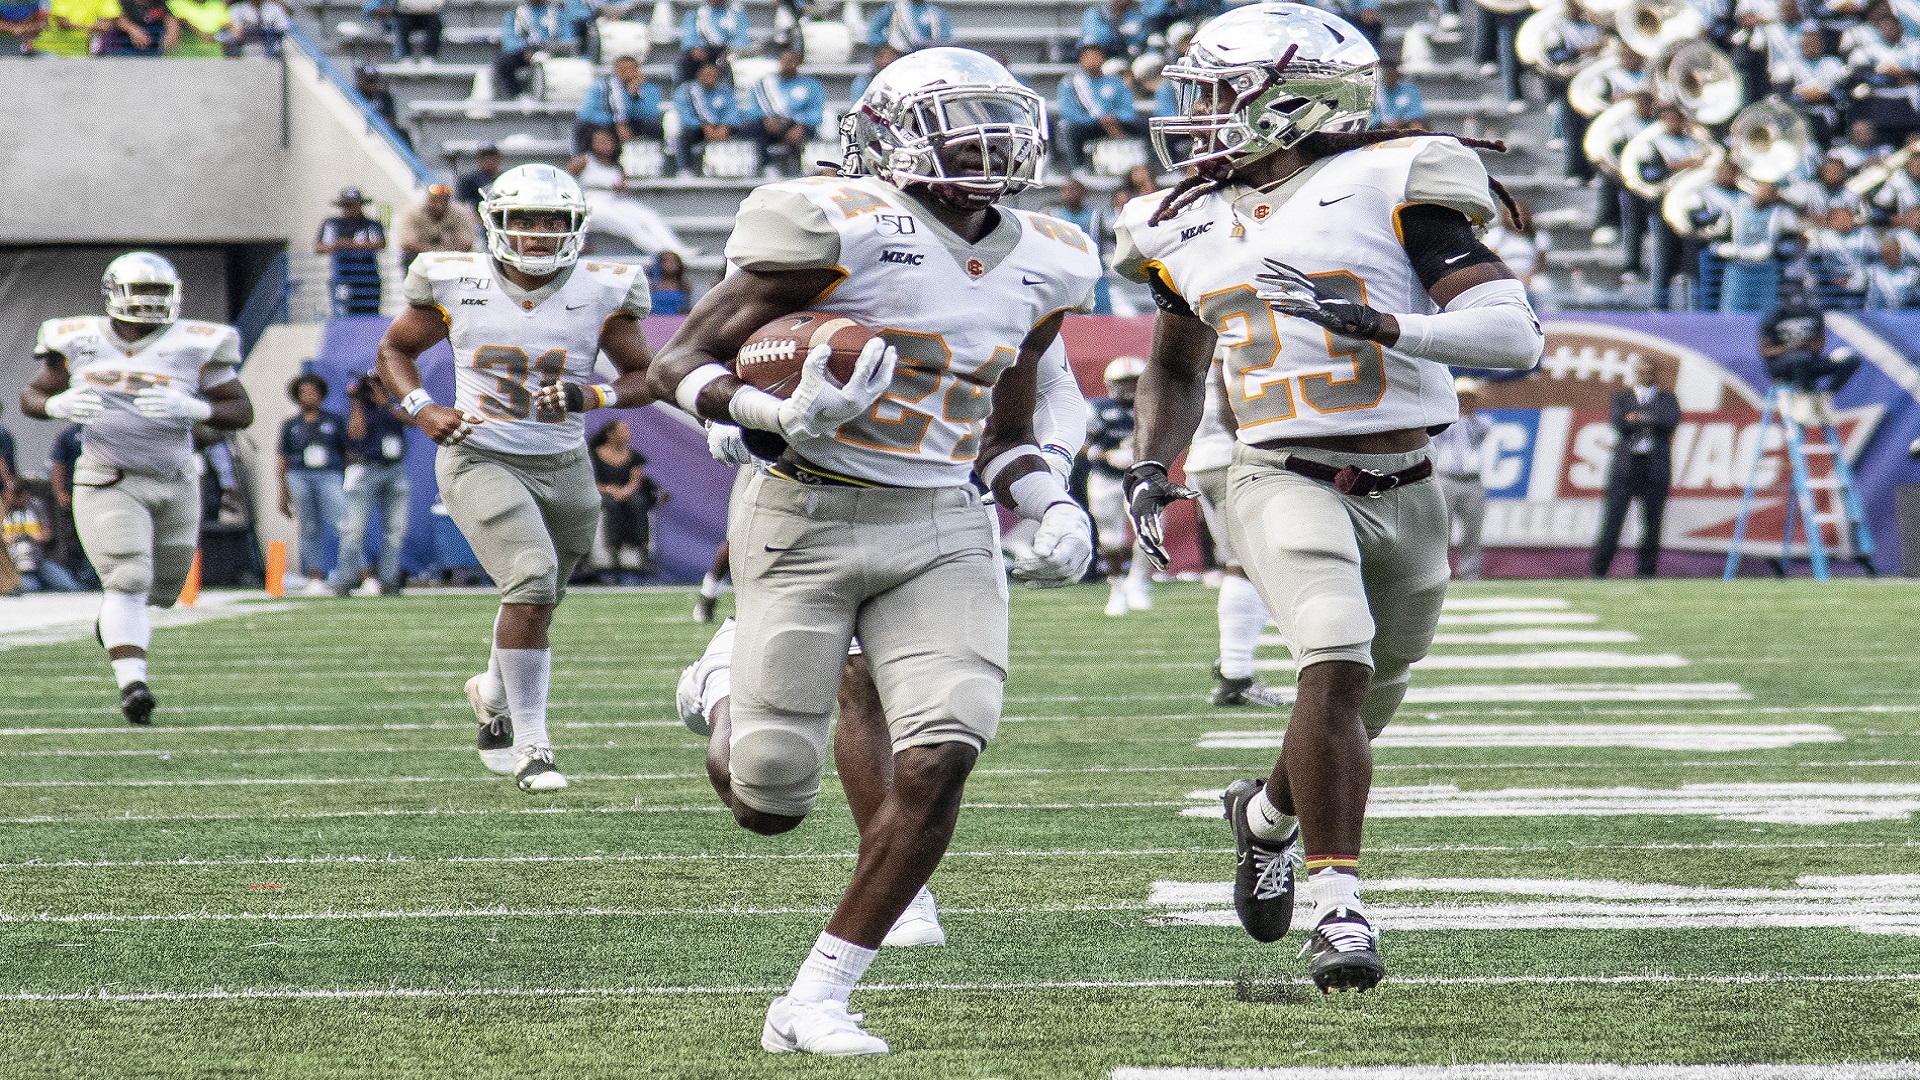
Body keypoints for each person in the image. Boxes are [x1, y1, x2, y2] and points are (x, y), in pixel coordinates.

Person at [645, 46, 1098, 1055]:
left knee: (941, 750)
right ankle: (721, 681)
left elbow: (1005, 429)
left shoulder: (1053, 254)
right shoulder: (831, 225)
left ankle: (815, 998)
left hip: (938, 521)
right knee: (767, 797)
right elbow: (675, 364)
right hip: (801, 515)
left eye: (995, 117)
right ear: (890, 136)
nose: (984, 142)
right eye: (955, 121)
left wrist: (1052, 500)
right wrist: (773, 408)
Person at [1115, 3, 1543, 992]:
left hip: (1407, 480)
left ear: (1297, 99)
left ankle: (1263, 816)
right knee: (1335, 654)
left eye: (1221, 93)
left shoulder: (1395, 179)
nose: (1199, 113)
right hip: (1271, 468)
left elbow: (1513, 339)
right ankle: (1340, 910)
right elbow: (1175, 371)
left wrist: (1388, 327)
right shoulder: (1181, 216)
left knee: (1362, 696)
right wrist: (1153, 465)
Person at [376, 164, 656, 793]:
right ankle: (534, 747)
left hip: (562, 462)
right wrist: (425, 409)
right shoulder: (454, 279)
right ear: (497, 223)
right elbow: (393, 352)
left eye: (553, 221)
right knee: (529, 578)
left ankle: (491, 690)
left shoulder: (601, 288)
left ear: (576, 226)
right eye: (526, 220)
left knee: (543, 596)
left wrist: (593, 395)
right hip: (481, 452)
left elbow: (648, 378)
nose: (538, 234)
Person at [19, 252, 256, 723]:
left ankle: (114, 625)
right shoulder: (77, 338)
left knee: (160, 590)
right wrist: (55, 405)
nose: (150, 303)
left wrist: (197, 409)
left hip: (176, 478)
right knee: (127, 578)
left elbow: (240, 411)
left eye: (158, 293)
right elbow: (33, 395)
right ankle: (133, 685)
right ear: (113, 293)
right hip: (108, 475)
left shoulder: (200, 342)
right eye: (141, 292)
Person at [1184, 354, 1283, 706]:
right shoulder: (1230, 336)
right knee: (1245, 566)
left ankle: (1234, 669)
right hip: (1232, 459)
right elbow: (1231, 410)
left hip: (1204, 461)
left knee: (1247, 565)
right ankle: (1235, 675)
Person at [1589, 356, 1678, 578]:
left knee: (1651, 526)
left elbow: (1669, 422)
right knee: (1612, 524)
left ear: (1656, 373)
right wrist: (1649, 419)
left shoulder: (1667, 398)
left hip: (1655, 467)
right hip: (1626, 468)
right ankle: (1598, 573)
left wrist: (1637, 417)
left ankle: (1646, 574)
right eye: (1642, 370)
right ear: (1635, 373)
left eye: (1650, 370)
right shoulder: (1623, 398)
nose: (1646, 374)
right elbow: (1621, 423)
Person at [332, 372, 413, 596]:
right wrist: (356, 401)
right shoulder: (360, 407)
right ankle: (345, 580)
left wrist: (386, 404)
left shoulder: (395, 404)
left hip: (395, 468)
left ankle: (389, 581)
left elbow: (412, 421)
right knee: (354, 529)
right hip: (367, 468)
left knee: (395, 529)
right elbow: (355, 434)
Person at [1086, 356, 1152, 615]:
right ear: (1109, 385)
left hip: (1142, 479)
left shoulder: (1152, 408)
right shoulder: (1098, 409)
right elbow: (1080, 444)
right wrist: (1104, 454)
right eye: (1122, 384)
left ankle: (1138, 582)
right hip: (1106, 478)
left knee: (1149, 532)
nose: (1129, 389)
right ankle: (1117, 589)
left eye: (1133, 383)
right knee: (1111, 539)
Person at [277, 373, 349, 596]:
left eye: (313, 392)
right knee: (308, 526)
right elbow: (283, 460)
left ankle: (353, 573)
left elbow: (346, 452)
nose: (309, 396)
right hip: (299, 475)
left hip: (329, 473)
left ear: (322, 395)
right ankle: (315, 576)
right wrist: (283, 494)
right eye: (304, 392)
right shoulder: (290, 424)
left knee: (343, 524)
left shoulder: (334, 421)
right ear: (297, 397)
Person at [568, 127, 689, 253]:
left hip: (614, 201)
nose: (605, 144)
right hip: (592, 204)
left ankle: (678, 250)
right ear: (591, 143)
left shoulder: (618, 165)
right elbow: (567, 179)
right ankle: (665, 255)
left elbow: (622, 188)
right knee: (631, 226)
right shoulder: (584, 160)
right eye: (599, 141)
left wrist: (621, 188)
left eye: (608, 140)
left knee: (649, 217)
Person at [588, 419, 665, 580]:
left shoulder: (634, 456)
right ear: (611, 434)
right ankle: (614, 552)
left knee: (638, 503)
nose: (627, 434)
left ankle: (643, 551)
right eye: (623, 430)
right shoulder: (594, 455)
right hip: (603, 493)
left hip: (628, 493)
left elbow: (636, 480)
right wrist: (611, 490)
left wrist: (625, 491)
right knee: (612, 505)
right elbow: (591, 481)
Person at [1432, 378, 1492, 580]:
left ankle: (1470, 574)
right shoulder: (1442, 423)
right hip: (1446, 479)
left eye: (1469, 397)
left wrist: (1466, 415)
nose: (1465, 401)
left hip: (1472, 481)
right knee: (1442, 531)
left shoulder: (1482, 423)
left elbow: (1476, 432)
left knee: (1473, 531)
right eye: (1462, 397)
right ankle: (1439, 574)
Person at [1057, 44, 1148, 173]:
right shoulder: (1069, 84)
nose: (1093, 60)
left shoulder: (1116, 81)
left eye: (1097, 56)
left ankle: (1150, 164)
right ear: (1081, 60)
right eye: (1088, 57)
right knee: (1071, 129)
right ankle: (1078, 169)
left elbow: (1127, 109)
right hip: (1088, 125)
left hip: (1115, 122)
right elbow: (1068, 113)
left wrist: (1115, 117)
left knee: (1146, 124)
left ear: (1103, 59)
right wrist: (1096, 119)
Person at [1759, 285, 1860, 392]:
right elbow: (1766, 351)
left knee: (1852, 360)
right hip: (1780, 366)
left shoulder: (1814, 313)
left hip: (1810, 360)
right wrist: (1793, 347)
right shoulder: (1773, 317)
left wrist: (1804, 346)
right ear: (1784, 302)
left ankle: (1827, 394)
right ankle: (1806, 394)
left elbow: (1819, 346)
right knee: (1800, 358)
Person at [743, 47, 826, 176]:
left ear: (799, 62)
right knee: (752, 129)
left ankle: (798, 170)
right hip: (770, 125)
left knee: (803, 136)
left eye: (792, 60)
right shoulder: (763, 84)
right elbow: (752, 111)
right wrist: (766, 120)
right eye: (785, 60)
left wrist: (801, 125)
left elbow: (816, 113)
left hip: (797, 125)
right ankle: (767, 167)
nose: (788, 64)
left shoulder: (812, 85)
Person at [315, 188, 387, 317]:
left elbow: (380, 243)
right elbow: (319, 247)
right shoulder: (332, 224)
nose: (350, 208)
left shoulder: (371, 224)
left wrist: (351, 245)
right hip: (343, 276)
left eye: (353, 204)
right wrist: (337, 246)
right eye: (346, 205)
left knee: (370, 315)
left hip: (368, 277)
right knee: (344, 313)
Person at [573, 53, 665, 154]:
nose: (628, 73)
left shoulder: (650, 88)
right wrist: (616, 122)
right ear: (616, 71)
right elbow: (586, 114)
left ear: (638, 70)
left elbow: (649, 114)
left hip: (632, 123)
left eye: (632, 69)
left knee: (654, 126)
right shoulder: (600, 87)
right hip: (606, 124)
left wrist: (634, 95)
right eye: (623, 70)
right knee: (585, 127)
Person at [5, 486, 81, 593]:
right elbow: (5, 538)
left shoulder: (34, 506)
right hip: (15, 566)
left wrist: (26, 535)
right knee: (30, 588)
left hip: (38, 561)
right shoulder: (3, 509)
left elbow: (46, 535)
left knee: (69, 586)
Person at [673, 61, 743, 176]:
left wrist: (724, 126)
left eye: (713, 75)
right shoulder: (685, 91)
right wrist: (704, 126)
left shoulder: (726, 91)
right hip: (698, 128)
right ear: (698, 76)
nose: (709, 78)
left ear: (719, 77)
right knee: (683, 137)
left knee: (749, 131)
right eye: (705, 75)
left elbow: (733, 112)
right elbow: (685, 117)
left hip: (722, 128)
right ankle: (685, 169)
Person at [395, 183, 479, 274]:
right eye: (435, 200)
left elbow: (467, 243)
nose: (439, 205)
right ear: (428, 199)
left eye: (443, 201)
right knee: (409, 257)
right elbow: (407, 243)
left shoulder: (461, 212)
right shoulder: (412, 212)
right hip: (420, 257)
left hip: (452, 258)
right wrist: (435, 254)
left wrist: (444, 255)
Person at [494, 0, 556, 100]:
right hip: (525, 53)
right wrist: (526, 51)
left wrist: (551, 48)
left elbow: (567, 36)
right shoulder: (515, 13)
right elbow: (509, 41)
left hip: (553, 51)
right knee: (503, 63)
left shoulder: (557, 11)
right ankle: (519, 96)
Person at [678, 0, 748, 82]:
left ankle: (728, 91)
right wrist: (694, 49)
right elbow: (689, 38)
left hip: (726, 53)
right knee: (687, 61)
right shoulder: (695, 13)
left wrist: (727, 54)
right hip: (702, 53)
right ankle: (687, 89)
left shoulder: (738, 14)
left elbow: (741, 40)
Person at [865, 0, 950, 52]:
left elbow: (945, 39)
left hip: (926, 58)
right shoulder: (894, 9)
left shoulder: (936, 13)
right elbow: (873, 33)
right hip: (899, 58)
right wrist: (888, 48)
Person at [1372, 56, 1426, 131]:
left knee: (1416, 125)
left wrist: (1402, 121)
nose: (1390, 75)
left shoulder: (1409, 89)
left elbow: (1417, 112)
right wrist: (1381, 123)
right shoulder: (1372, 91)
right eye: (1387, 72)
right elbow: (1369, 117)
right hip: (1378, 128)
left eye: (1392, 71)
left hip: (1403, 126)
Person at [102, 0, 175, 53]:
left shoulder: (159, 3)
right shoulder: (121, 3)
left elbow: (169, 16)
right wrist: (132, 29)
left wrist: (172, 31)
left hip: (154, 53)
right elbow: (116, 18)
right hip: (123, 52)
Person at [1079, 0, 1145, 57]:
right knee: (1092, 54)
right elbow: (1093, 40)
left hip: (1128, 57)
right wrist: (1119, 31)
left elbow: (1141, 42)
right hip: (1103, 55)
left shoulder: (1139, 16)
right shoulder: (1095, 14)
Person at [457, 144, 504, 208]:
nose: (488, 160)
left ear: (498, 158)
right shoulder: (469, 180)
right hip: (477, 215)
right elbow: (462, 204)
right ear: (479, 159)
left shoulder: (505, 178)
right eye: (484, 157)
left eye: (492, 156)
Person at [649, 250, 694, 314]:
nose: (671, 264)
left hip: (677, 321)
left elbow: (686, 307)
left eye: (674, 261)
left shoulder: (684, 286)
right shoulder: (651, 285)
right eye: (666, 261)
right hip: (653, 321)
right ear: (659, 264)